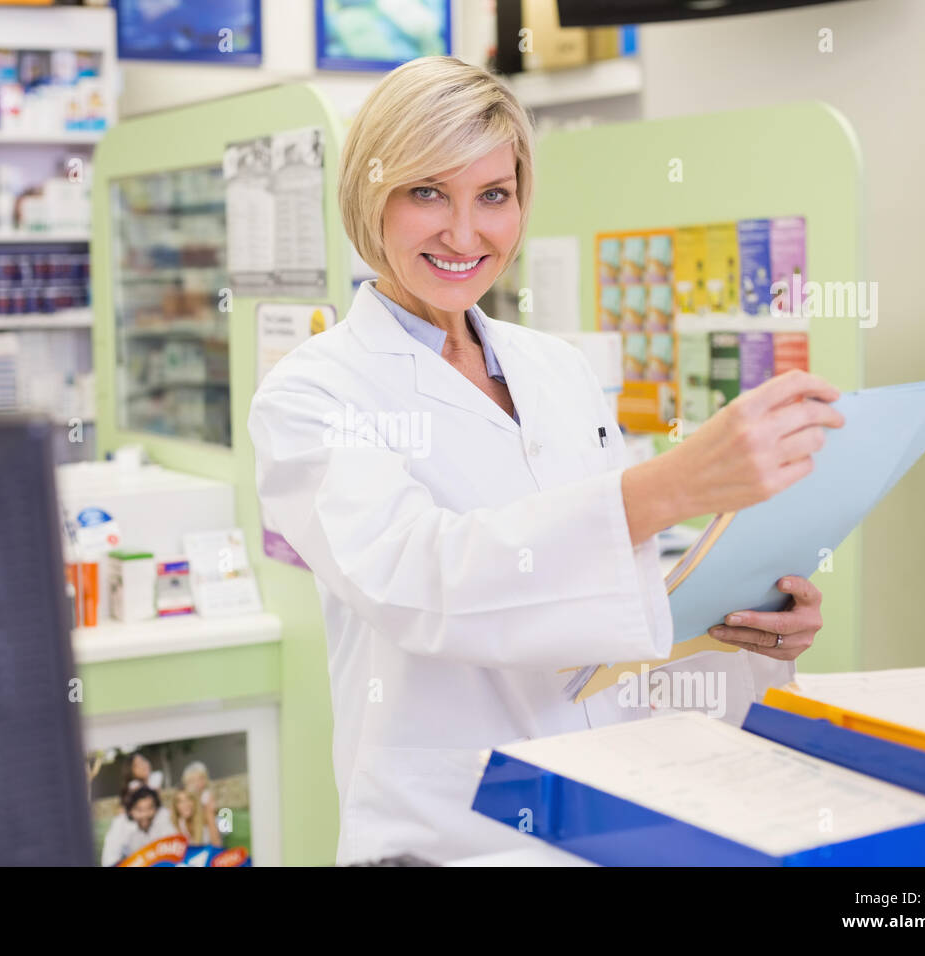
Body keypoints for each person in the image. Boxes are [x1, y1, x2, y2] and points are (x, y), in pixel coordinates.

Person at [246, 55, 845, 865]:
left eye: (494, 195)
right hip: (448, 831)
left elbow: (602, 599)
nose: (466, 233)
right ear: (368, 196)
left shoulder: (555, 367)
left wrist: (736, 629)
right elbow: (423, 581)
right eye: (428, 192)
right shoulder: (311, 393)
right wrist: (670, 485)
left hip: (608, 806)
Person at [117, 786, 178, 862]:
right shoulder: (125, 833)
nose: (145, 814)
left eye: (149, 808)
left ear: (156, 809)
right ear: (131, 811)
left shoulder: (166, 826)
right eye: (139, 810)